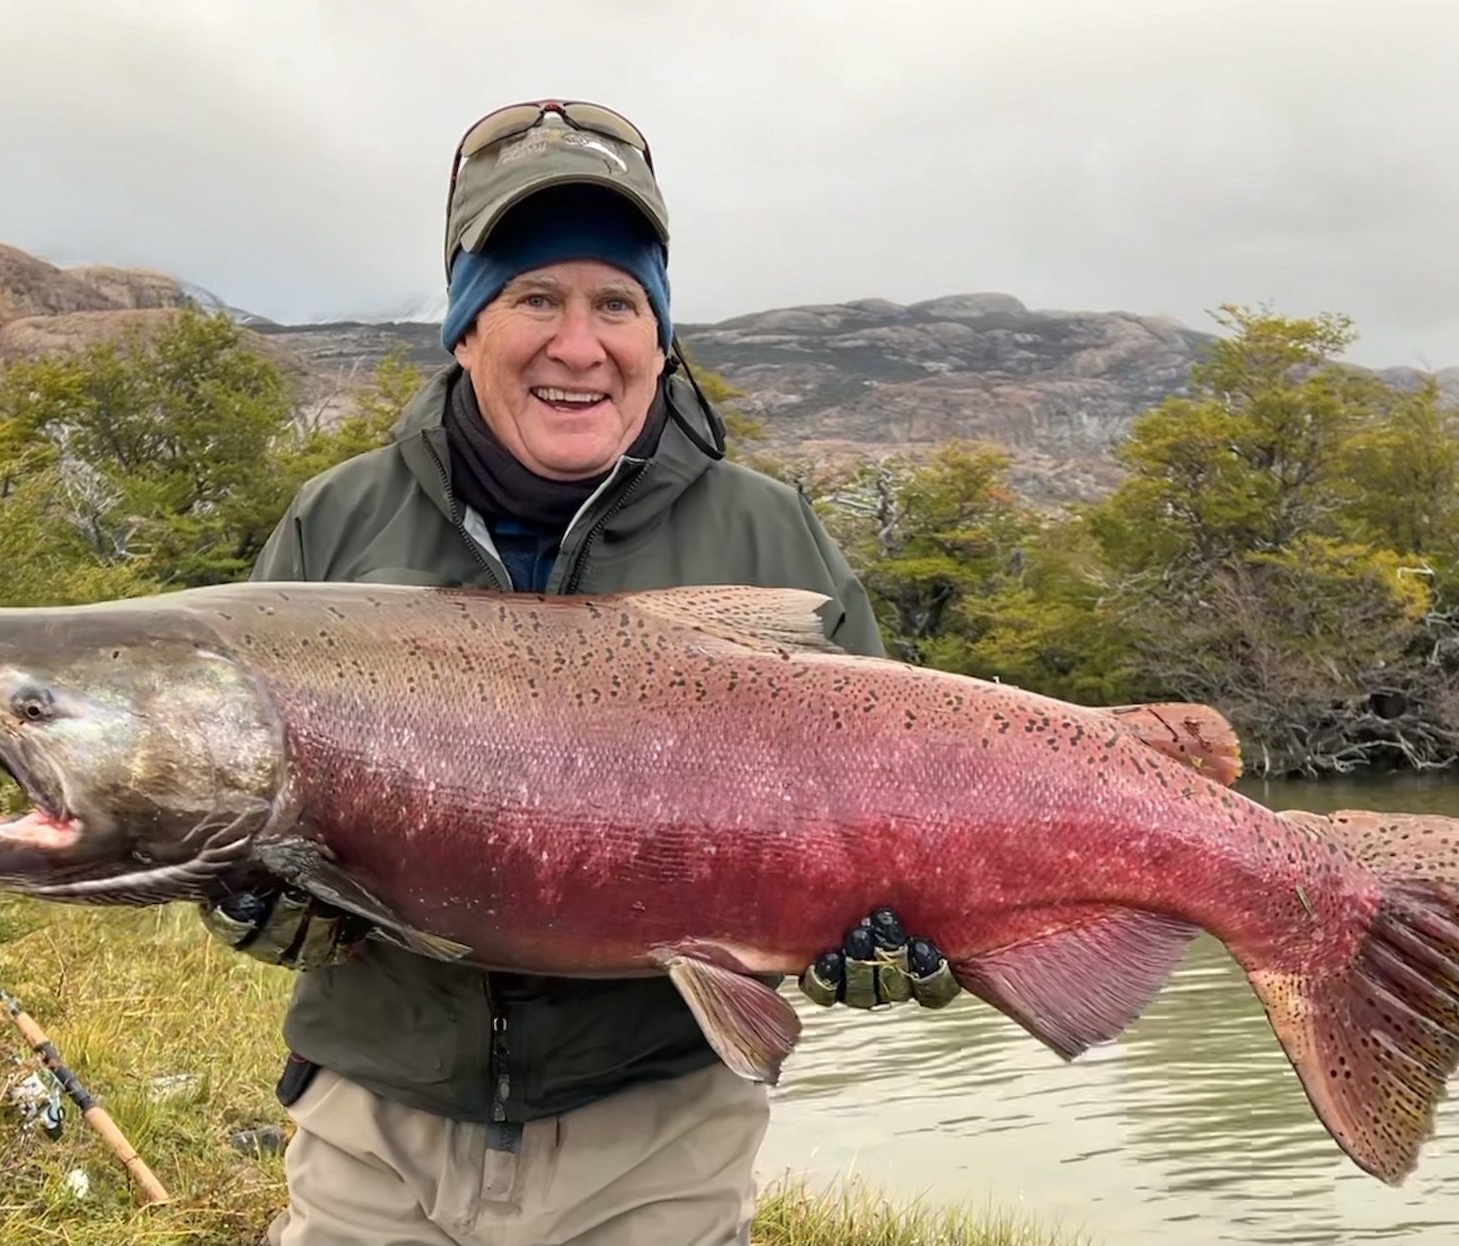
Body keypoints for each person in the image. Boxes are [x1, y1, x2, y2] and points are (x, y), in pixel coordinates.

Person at [202, 99, 958, 1246]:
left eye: (616, 301)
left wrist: (909, 935)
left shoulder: (767, 532)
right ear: (463, 325)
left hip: (658, 1137)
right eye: (532, 297)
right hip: (374, 1122)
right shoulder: (337, 522)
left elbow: (896, 809)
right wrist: (243, 898)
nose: (577, 343)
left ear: (659, 335)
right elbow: (236, 798)